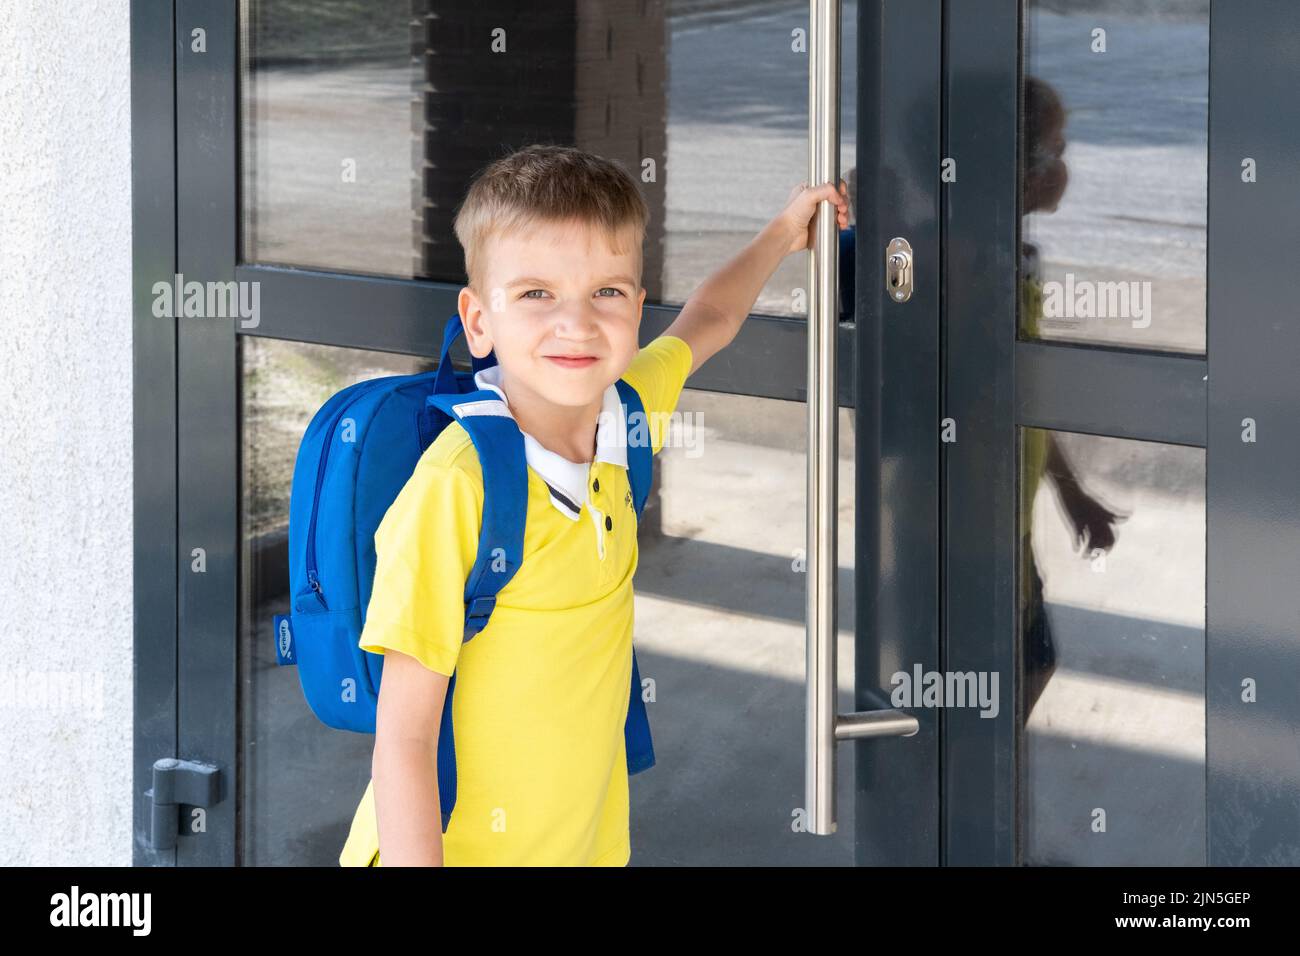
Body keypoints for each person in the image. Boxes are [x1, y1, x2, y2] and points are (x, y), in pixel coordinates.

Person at [338, 144, 848, 866]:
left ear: (636, 310)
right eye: (536, 293)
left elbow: (711, 316)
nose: (575, 324)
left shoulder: (628, 417)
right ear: (479, 321)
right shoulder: (459, 485)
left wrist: (785, 229)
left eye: (606, 292)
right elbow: (404, 737)